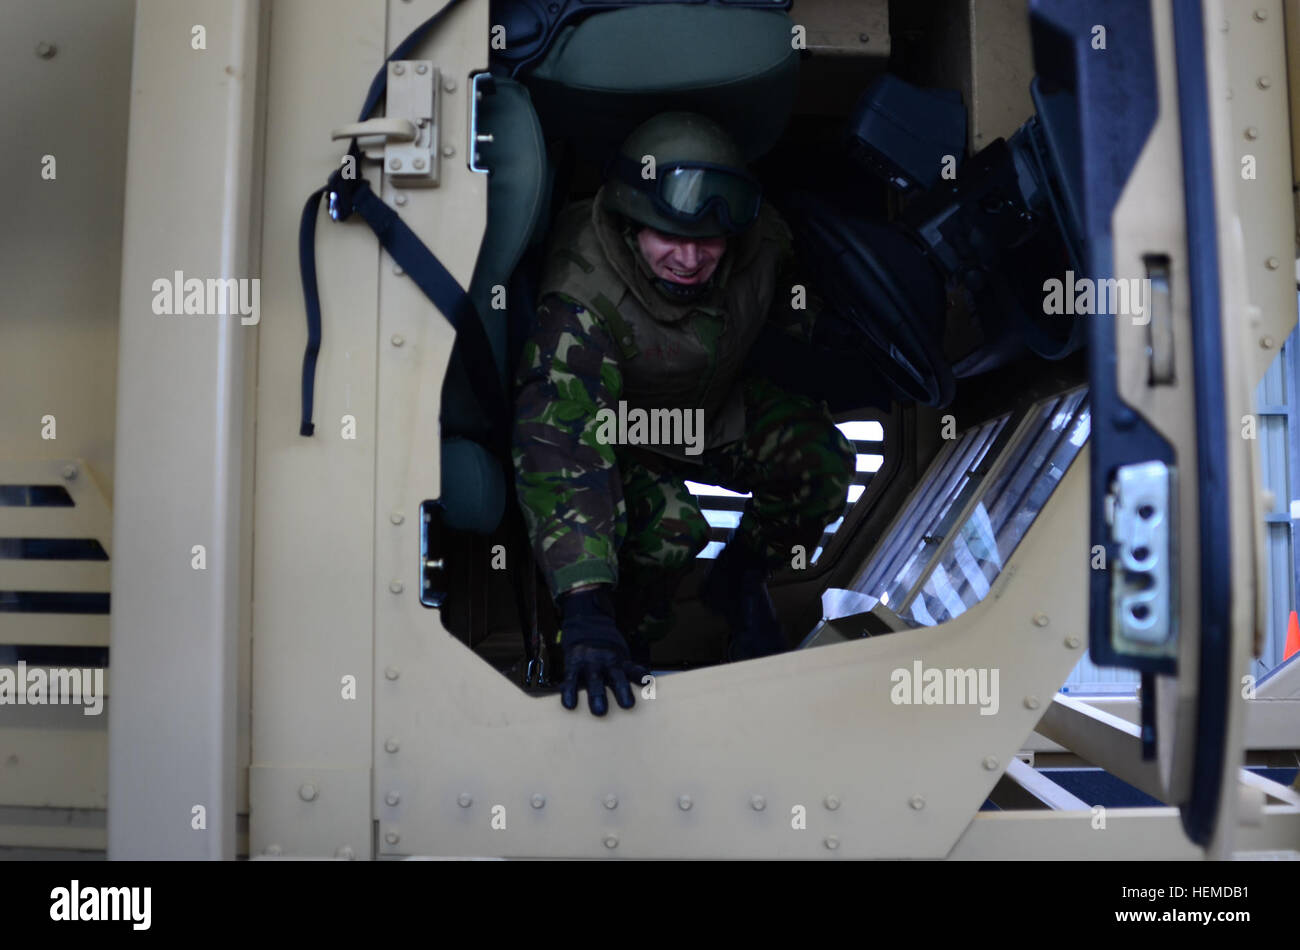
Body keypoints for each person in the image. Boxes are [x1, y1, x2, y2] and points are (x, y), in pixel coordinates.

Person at [512, 111, 856, 716]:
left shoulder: (763, 240)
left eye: (708, 242)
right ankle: (619, 646)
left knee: (820, 460)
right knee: (673, 529)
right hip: (610, 430)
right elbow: (561, 442)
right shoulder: (580, 296)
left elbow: (795, 293)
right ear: (627, 224)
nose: (691, 259)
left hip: (703, 410)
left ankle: (738, 581)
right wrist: (586, 607)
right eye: (668, 236)